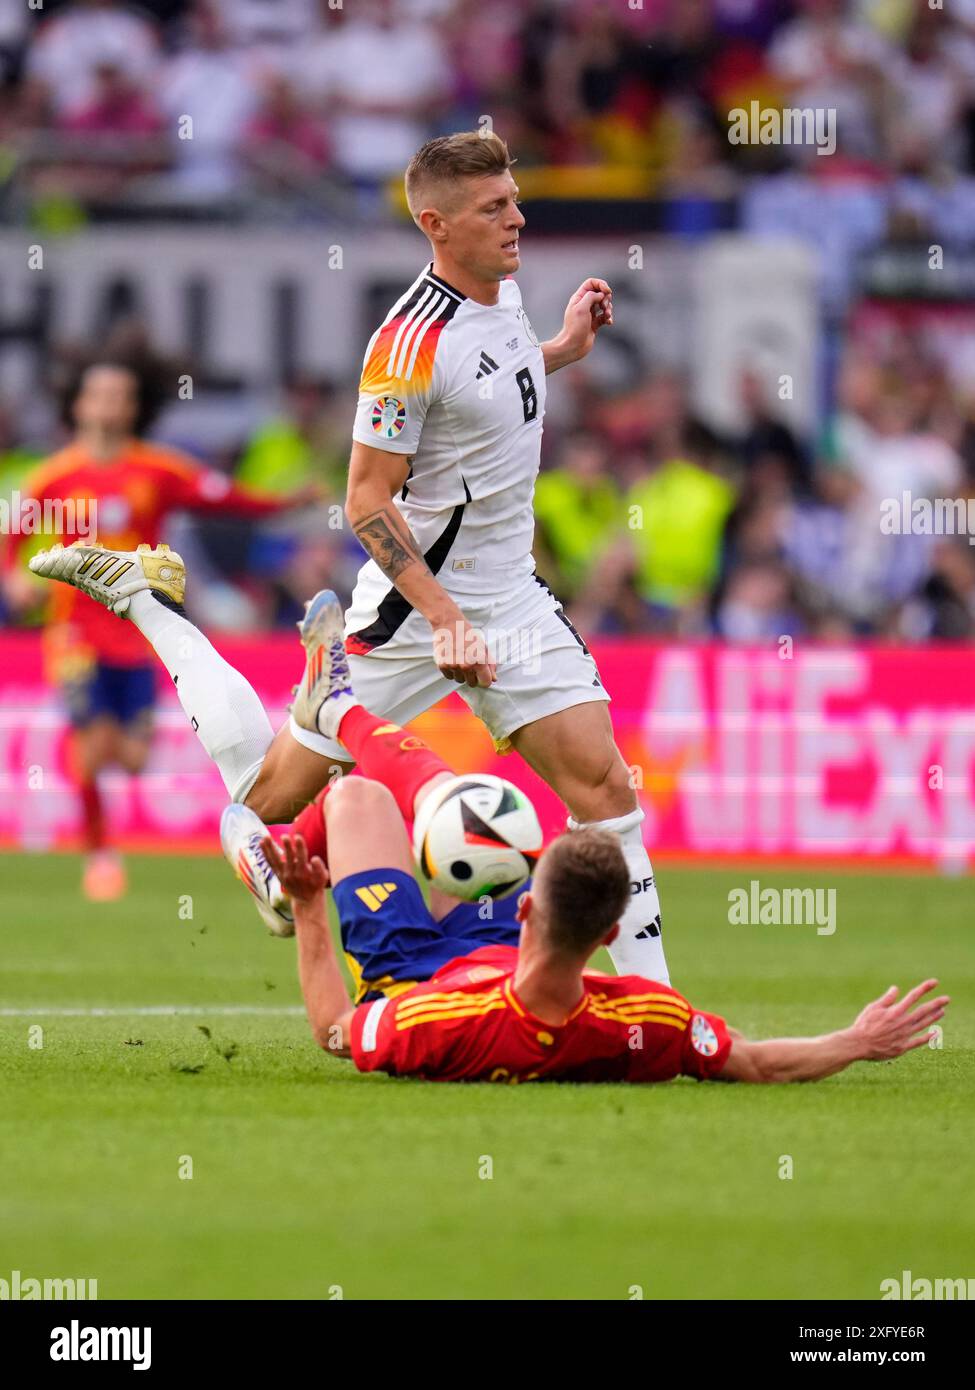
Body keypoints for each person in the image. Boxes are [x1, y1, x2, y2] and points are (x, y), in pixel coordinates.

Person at [247, 128, 669, 985]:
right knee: (272, 808)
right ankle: (265, 869)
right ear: (437, 225)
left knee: (605, 790)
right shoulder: (404, 348)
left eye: (514, 199)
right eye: (495, 207)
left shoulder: (504, 297)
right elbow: (365, 500)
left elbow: (489, 394)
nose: (517, 218)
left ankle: (651, 1003)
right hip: (411, 610)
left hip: (510, 595)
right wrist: (443, 619)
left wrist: (561, 351)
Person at [265, 800, 948, 1087]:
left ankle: (265, 864)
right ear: (610, 934)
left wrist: (307, 906)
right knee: (470, 816)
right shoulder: (646, 1017)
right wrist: (855, 1041)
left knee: (358, 795)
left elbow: (333, 1031)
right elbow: (755, 1061)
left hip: (408, 973)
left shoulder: (435, 1022)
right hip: (499, 949)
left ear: (529, 905)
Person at [8, 354, 309, 899]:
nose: (109, 405)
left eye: (120, 395)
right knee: (92, 746)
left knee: (133, 756)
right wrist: (14, 581)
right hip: (75, 632)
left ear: (132, 407)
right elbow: (13, 532)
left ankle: (105, 836)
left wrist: (289, 502)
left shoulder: (157, 470)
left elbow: (226, 499)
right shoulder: (55, 477)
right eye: (98, 394)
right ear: (79, 405)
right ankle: (100, 856)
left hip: (140, 632)